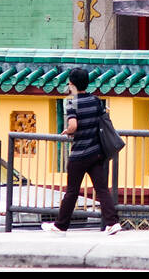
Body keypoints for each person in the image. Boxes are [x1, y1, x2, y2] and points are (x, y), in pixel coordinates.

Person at [42, 68, 122, 235]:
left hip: (79, 154)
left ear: (72, 84)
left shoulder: (72, 102)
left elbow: (73, 126)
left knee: (72, 191)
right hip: (96, 152)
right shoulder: (96, 100)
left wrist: (67, 131)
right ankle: (112, 222)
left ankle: (60, 226)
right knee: (101, 189)